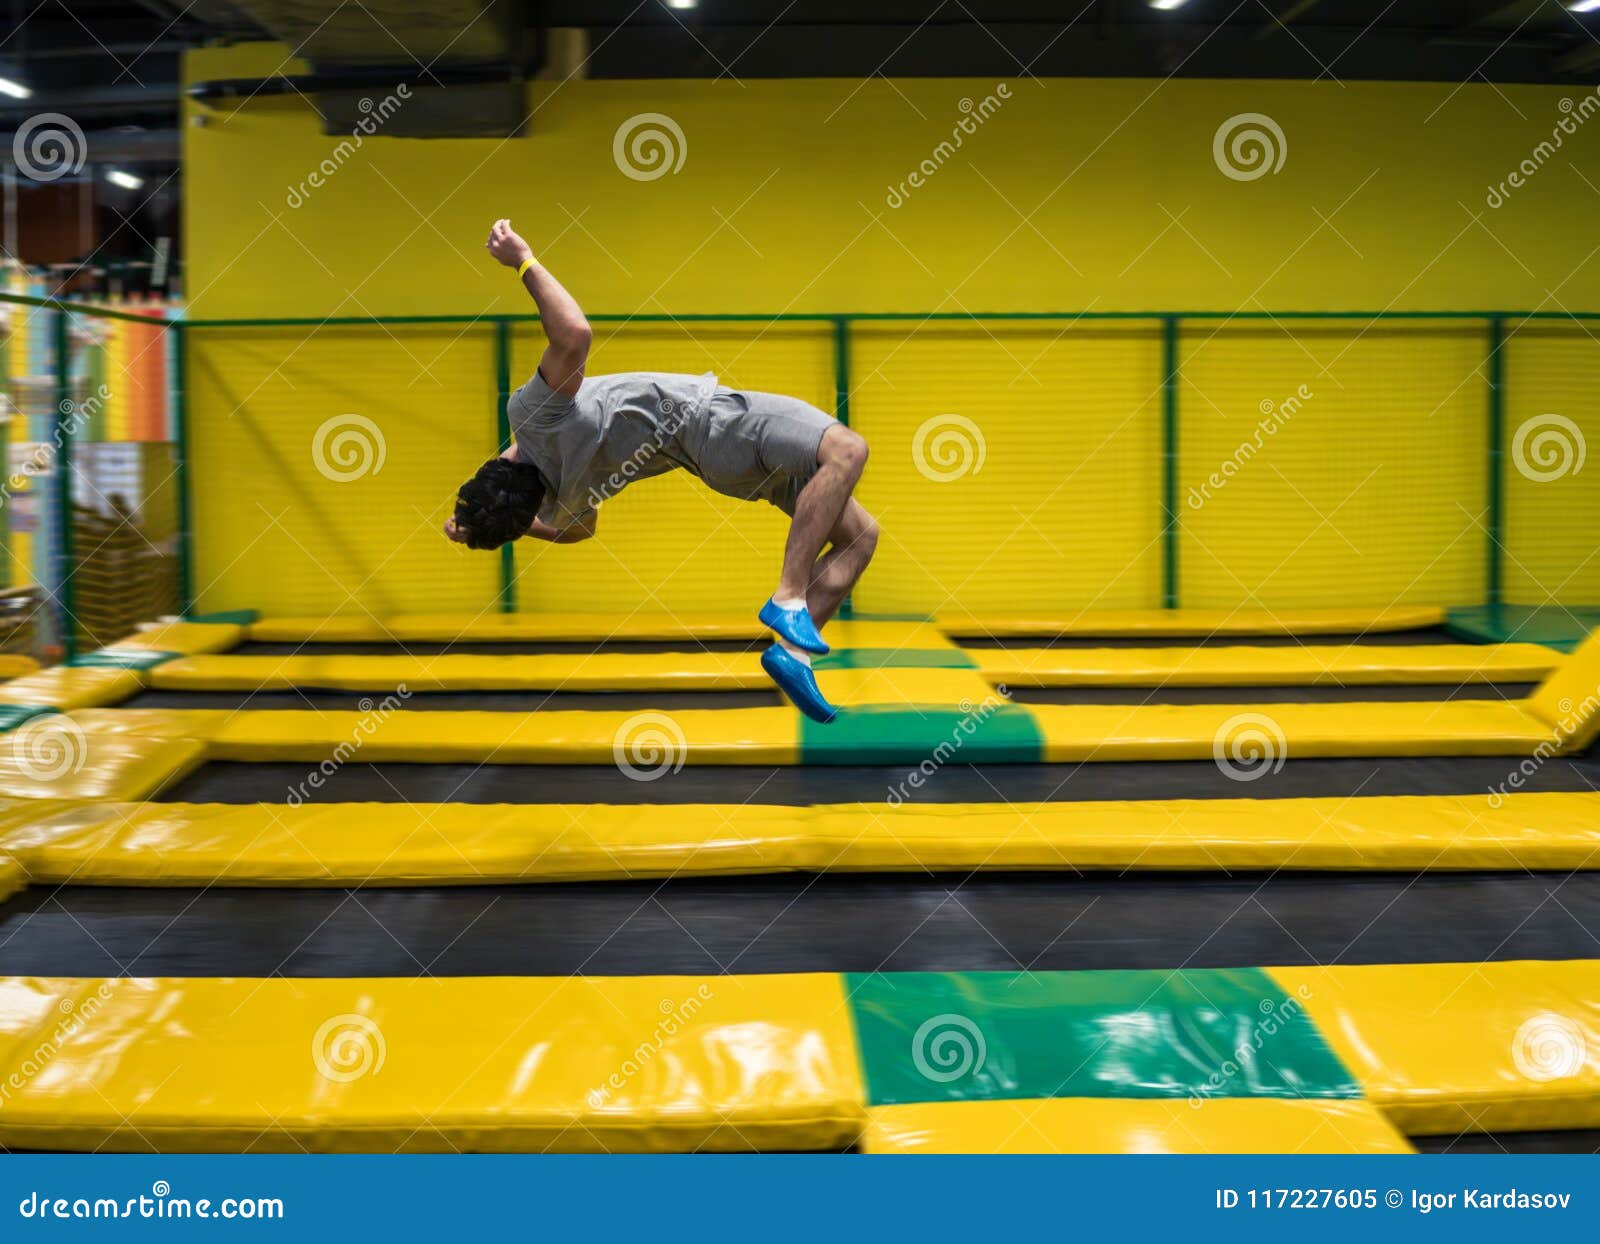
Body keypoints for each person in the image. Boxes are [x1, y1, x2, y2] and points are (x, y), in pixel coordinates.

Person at [444, 219, 878, 723]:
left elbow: (578, 531)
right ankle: (789, 596)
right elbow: (574, 334)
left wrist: (496, 526)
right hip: (714, 425)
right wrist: (522, 259)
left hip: (720, 471)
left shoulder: (559, 501)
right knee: (847, 450)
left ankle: (794, 655)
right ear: (496, 462)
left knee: (860, 535)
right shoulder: (535, 418)